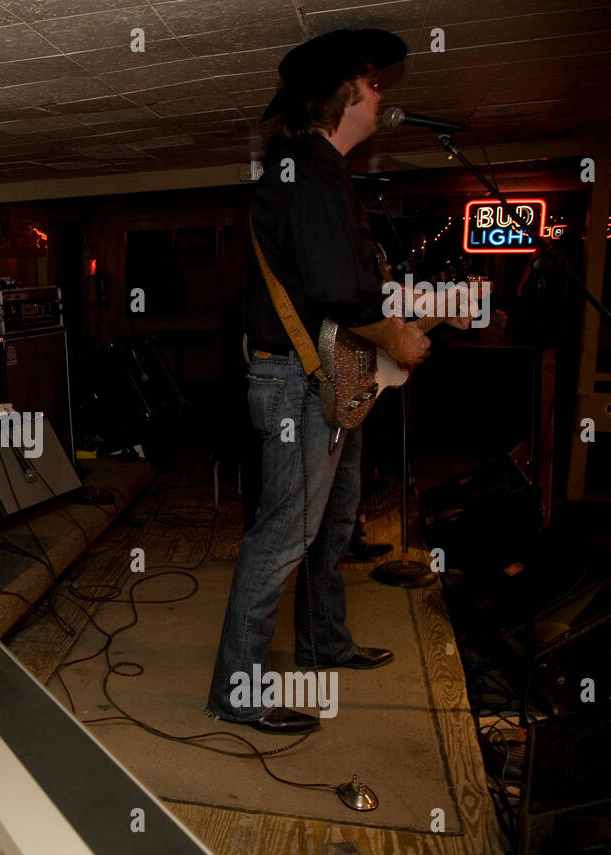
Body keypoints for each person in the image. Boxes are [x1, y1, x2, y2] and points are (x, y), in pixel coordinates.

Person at [205, 30, 476, 734]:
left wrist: (402, 314)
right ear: (342, 96)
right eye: (372, 80)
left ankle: (324, 640)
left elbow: (346, 280)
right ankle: (238, 691)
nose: (383, 90)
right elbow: (336, 289)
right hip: (298, 380)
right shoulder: (310, 169)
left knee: (333, 519)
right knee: (284, 535)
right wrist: (402, 339)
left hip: (321, 375)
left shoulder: (317, 169)